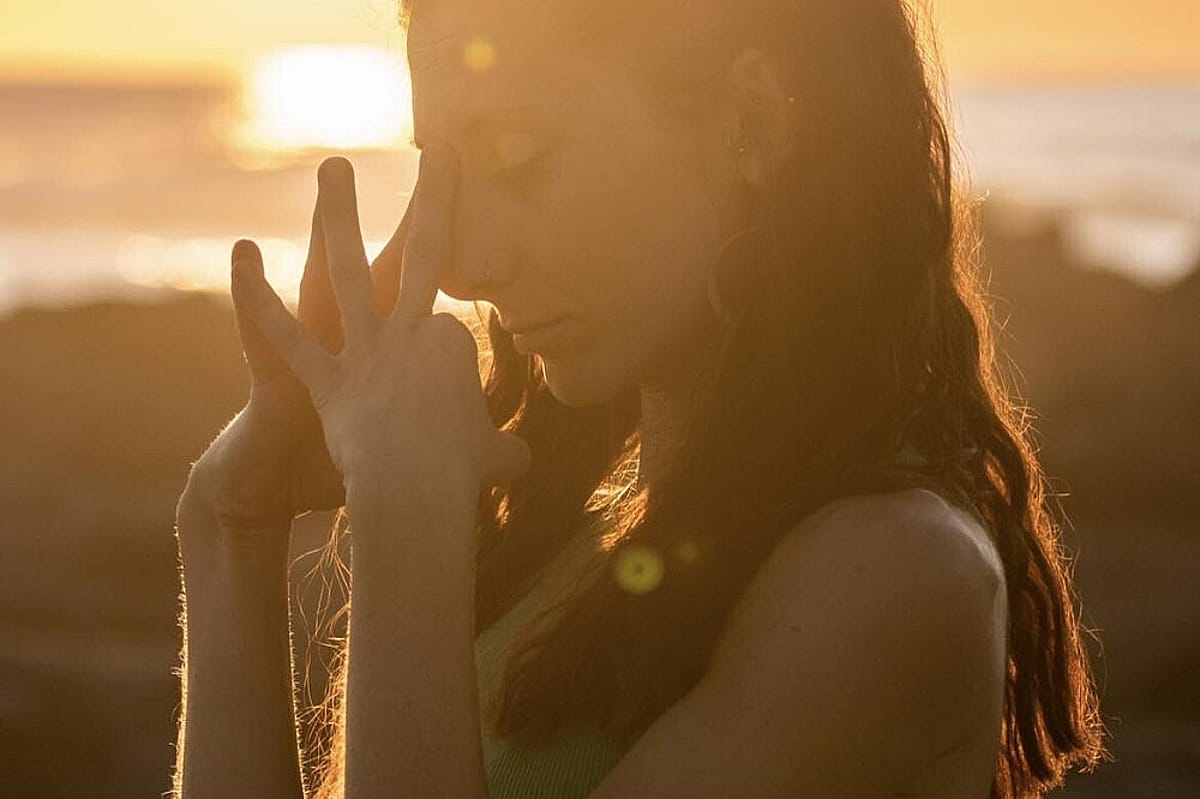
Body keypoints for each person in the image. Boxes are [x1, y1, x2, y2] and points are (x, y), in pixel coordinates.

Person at [172, 0, 1109, 796]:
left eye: (519, 156)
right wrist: (231, 526)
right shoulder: (582, 530)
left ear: (754, 120)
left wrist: (406, 519)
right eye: (444, 170)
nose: (458, 259)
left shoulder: (899, 575)